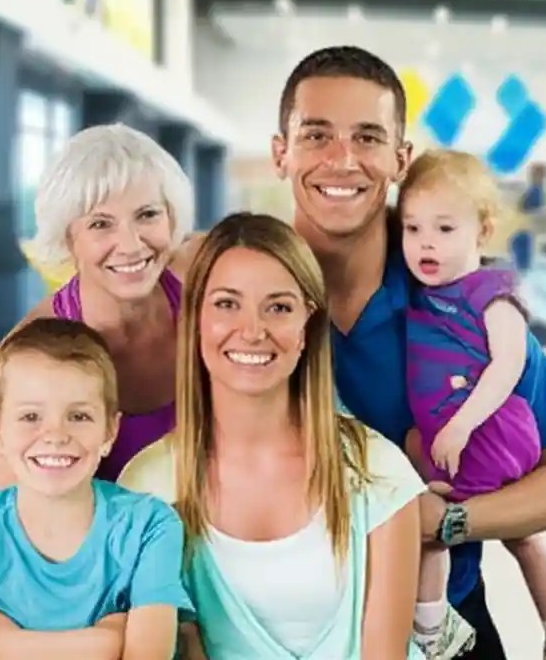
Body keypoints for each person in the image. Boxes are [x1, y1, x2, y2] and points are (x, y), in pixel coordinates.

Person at [273, 45, 546, 660]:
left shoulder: (462, 308)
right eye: (316, 133)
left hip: (443, 623)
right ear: (280, 152)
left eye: (368, 137)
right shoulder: (246, 295)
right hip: (290, 627)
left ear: (400, 159)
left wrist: (446, 524)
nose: (342, 158)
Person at [166, 212, 423, 659]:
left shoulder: (376, 471)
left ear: (307, 326)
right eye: (227, 303)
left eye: (279, 307)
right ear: (195, 319)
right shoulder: (149, 486)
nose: (252, 330)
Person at [400, 150, 546, 659]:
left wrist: (462, 425)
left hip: (488, 433)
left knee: (438, 530)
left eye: (443, 228)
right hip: (449, 435)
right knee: (518, 538)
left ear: (482, 232)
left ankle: (436, 632)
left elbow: (508, 365)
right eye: (412, 229)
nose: (425, 243)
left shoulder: (491, 296)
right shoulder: (417, 290)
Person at [0, 318, 190, 660]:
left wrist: (7, 643)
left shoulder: (150, 526)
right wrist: (104, 642)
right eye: (30, 417)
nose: (55, 435)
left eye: (79, 416)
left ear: (109, 431)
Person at [0, 123, 196, 489]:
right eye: (101, 223)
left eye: (148, 214)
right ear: (67, 237)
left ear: (172, 216)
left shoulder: (206, 283)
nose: (131, 245)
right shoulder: (27, 351)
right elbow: (15, 511)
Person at [510, 162, 546, 275]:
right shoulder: (534, 189)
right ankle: (521, 270)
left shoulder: (537, 190)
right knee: (518, 246)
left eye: (534, 173)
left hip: (526, 226)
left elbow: (532, 207)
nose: (531, 175)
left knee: (520, 247)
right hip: (523, 225)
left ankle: (522, 271)